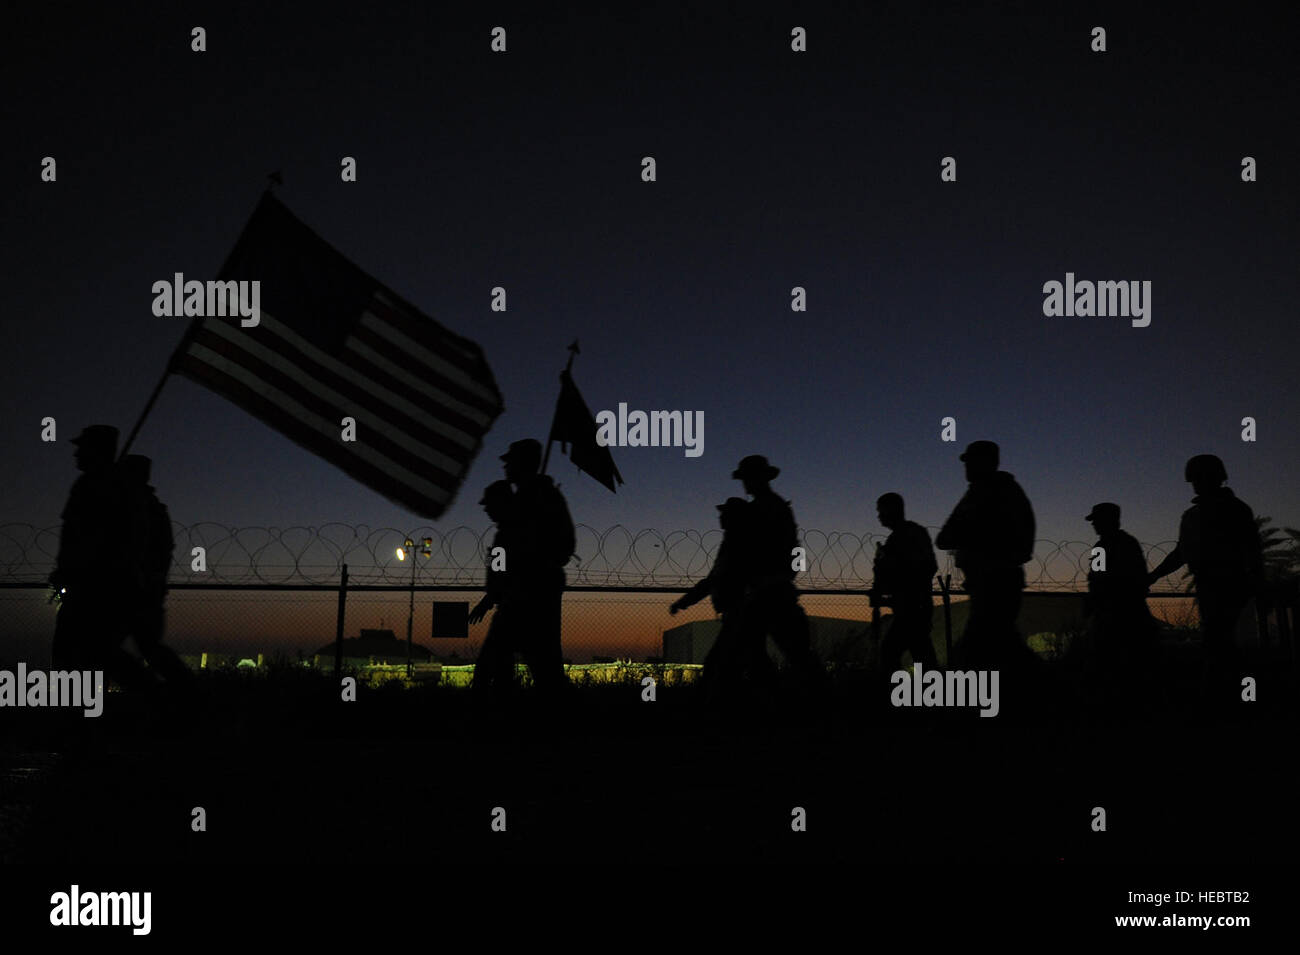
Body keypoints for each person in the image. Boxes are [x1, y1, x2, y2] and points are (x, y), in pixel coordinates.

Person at [1147, 454, 1262, 698]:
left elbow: (1251, 549)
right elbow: (1181, 553)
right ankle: (1233, 693)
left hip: (1230, 586)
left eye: (1202, 478)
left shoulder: (1233, 510)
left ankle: (1222, 695)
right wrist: (1154, 575)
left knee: (1219, 641)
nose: (1199, 483)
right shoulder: (1198, 515)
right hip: (1212, 586)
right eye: (1196, 479)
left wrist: (1255, 581)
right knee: (1220, 641)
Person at [934, 440, 1036, 669]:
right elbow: (945, 537)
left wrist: (975, 540)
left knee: (976, 648)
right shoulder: (984, 492)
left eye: (971, 461)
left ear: (987, 462)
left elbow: (950, 535)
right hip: (989, 582)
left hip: (996, 582)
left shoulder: (994, 492)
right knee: (1003, 646)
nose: (967, 467)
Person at [731, 455, 824, 691]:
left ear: (759, 479)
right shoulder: (773, 507)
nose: (746, 484)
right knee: (766, 650)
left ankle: (815, 700)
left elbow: (792, 549)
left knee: (789, 651)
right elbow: (796, 549)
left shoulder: (769, 508)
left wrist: (780, 578)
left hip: (771, 591)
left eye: (748, 478)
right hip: (768, 590)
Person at [50, 425, 136, 678]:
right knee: (93, 652)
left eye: (83, 448)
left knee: (82, 651)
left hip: (94, 586)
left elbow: (91, 538)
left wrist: (72, 571)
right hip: (90, 583)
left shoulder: (102, 486)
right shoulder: (98, 484)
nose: (77, 454)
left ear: (97, 450)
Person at [670, 497, 773, 698]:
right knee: (752, 665)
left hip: (741, 614)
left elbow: (717, 580)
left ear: (736, 518)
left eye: (726, 513)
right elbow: (713, 580)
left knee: (719, 665)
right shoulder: (734, 542)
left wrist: (684, 602)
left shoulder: (741, 543)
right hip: (742, 614)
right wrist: (684, 602)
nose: (721, 517)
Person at [500, 439, 575, 694]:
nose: (505, 466)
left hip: (537, 590)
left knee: (543, 661)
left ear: (522, 463)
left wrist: (536, 556)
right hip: (519, 589)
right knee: (516, 656)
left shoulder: (544, 498)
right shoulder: (521, 499)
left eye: (510, 460)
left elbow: (566, 546)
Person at [118, 455, 191, 685]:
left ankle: (164, 694)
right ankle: (186, 694)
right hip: (143, 589)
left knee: (105, 648)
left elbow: (144, 549)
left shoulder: (139, 508)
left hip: (136, 589)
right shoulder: (148, 507)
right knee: (147, 647)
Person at [1080, 502, 1157, 703]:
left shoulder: (1102, 548)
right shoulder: (1129, 543)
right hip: (1132, 611)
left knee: (1106, 665)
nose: (1094, 525)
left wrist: (1093, 603)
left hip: (1112, 614)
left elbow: (1096, 579)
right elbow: (1138, 578)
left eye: (1096, 520)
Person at [873, 493, 939, 671]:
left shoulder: (906, 535)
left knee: (892, 652)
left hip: (913, 607)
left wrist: (891, 574)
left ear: (892, 510)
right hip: (913, 606)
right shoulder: (906, 535)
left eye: (881, 511)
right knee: (921, 654)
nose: (879, 516)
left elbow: (924, 568)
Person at [470, 480, 522, 695]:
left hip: (513, 609)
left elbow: (502, 576)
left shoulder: (509, 535)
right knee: (502, 669)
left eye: (490, 505)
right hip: (515, 608)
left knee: (485, 669)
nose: (487, 510)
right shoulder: (513, 531)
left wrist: (488, 600)